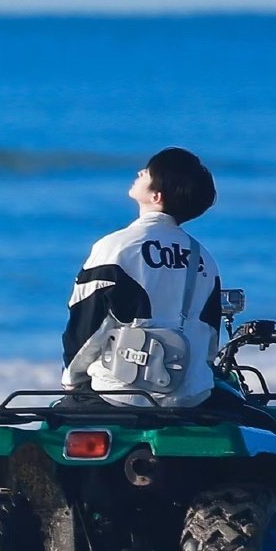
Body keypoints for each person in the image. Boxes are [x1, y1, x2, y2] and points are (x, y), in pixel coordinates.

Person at [61, 147, 222, 410]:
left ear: (156, 196)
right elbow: (210, 337)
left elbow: (87, 324)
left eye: (148, 171)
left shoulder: (116, 247)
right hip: (192, 395)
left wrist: (71, 381)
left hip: (122, 392)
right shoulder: (204, 258)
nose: (140, 172)